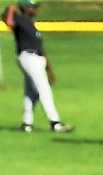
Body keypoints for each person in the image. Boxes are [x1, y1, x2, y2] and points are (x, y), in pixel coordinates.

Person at [7, 0, 71, 134]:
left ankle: (27, 123)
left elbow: (41, 49)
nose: (36, 9)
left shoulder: (31, 24)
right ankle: (55, 123)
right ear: (25, 7)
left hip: (37, 59)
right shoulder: (20, 19)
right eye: (33, 7)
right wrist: (11, 8)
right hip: (28, 57)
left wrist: (49, 70)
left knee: (31, 92)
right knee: (44, 89)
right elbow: (8, 21)